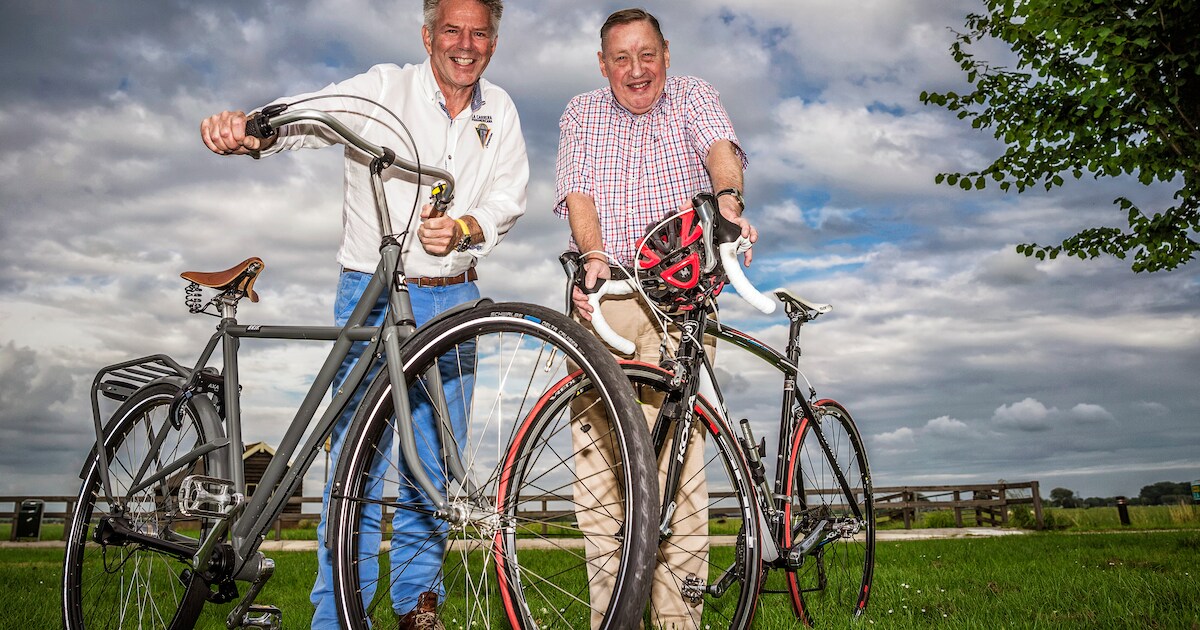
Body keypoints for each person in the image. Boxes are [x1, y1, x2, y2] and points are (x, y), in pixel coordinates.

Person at [200, 1, 527, 628]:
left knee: (433, 468)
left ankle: (415, 607)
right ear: (427, 36)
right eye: (452, 30)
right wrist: (252, 131)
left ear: (493, 40)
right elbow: (310, 115)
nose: (466, 44)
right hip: (373, 294)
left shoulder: (501, 110)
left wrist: (466, 225)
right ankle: (337, 616)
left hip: (454, 295)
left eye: (480, 32)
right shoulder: (382, 89)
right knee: (357, 461)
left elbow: (509, 194)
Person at [553, 8, 756, 629]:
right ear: (602, 63)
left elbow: (721, 151)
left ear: (666, 52)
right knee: (601, 479)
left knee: (679, 476)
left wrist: (727, 204)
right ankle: (613, 620)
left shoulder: (694, 96)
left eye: (647, 55)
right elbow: (578, 190)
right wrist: (591, 254)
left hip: (677, 306)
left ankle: (678, 624)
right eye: (621, 58)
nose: (636, 70)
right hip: (607, 297)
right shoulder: (580, 113)